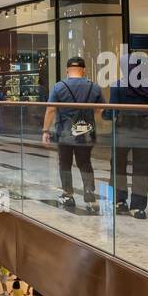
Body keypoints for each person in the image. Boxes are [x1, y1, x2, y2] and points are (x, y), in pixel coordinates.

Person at [42, 56, 102, 210]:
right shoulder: (93, 87)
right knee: (85, 162)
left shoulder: (58, 87)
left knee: (65, 163)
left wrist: (45, 131)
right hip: (86, 132)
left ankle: (68, 195)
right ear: (84, 70)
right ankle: (89, 194)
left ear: (67, 70)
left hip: (65, 133)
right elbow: (100, 109)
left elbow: (50, 109)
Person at [107, 55, 148, 219]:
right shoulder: (147, 85)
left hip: (123, 130)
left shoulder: (117, 85)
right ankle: (138, 207)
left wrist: (104, 114)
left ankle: (119, 201)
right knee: (142, 169)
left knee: (118, 166)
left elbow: (111, 111)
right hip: (146, 131)